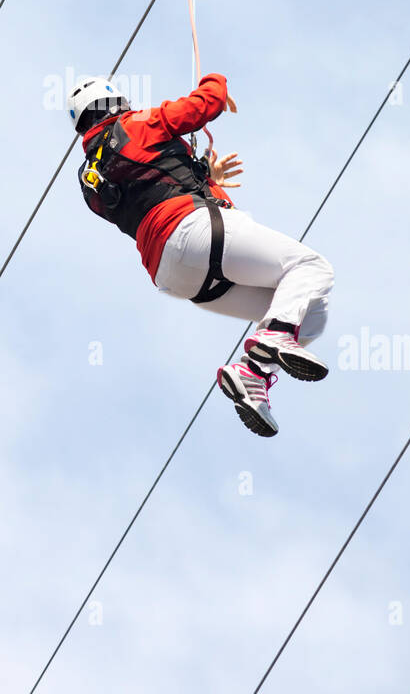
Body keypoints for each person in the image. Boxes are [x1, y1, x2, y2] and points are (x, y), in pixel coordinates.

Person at [68, 73, 334, 438]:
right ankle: (272, 339)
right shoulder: (137, 124)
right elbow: (202, 105)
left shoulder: (91, 177)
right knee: (311, 268)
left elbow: (149, 184)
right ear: (116, 103)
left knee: (311, 314)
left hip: (174, 274)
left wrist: (205, 173)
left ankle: (252, 374)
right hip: (194, 233)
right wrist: (217, 81)